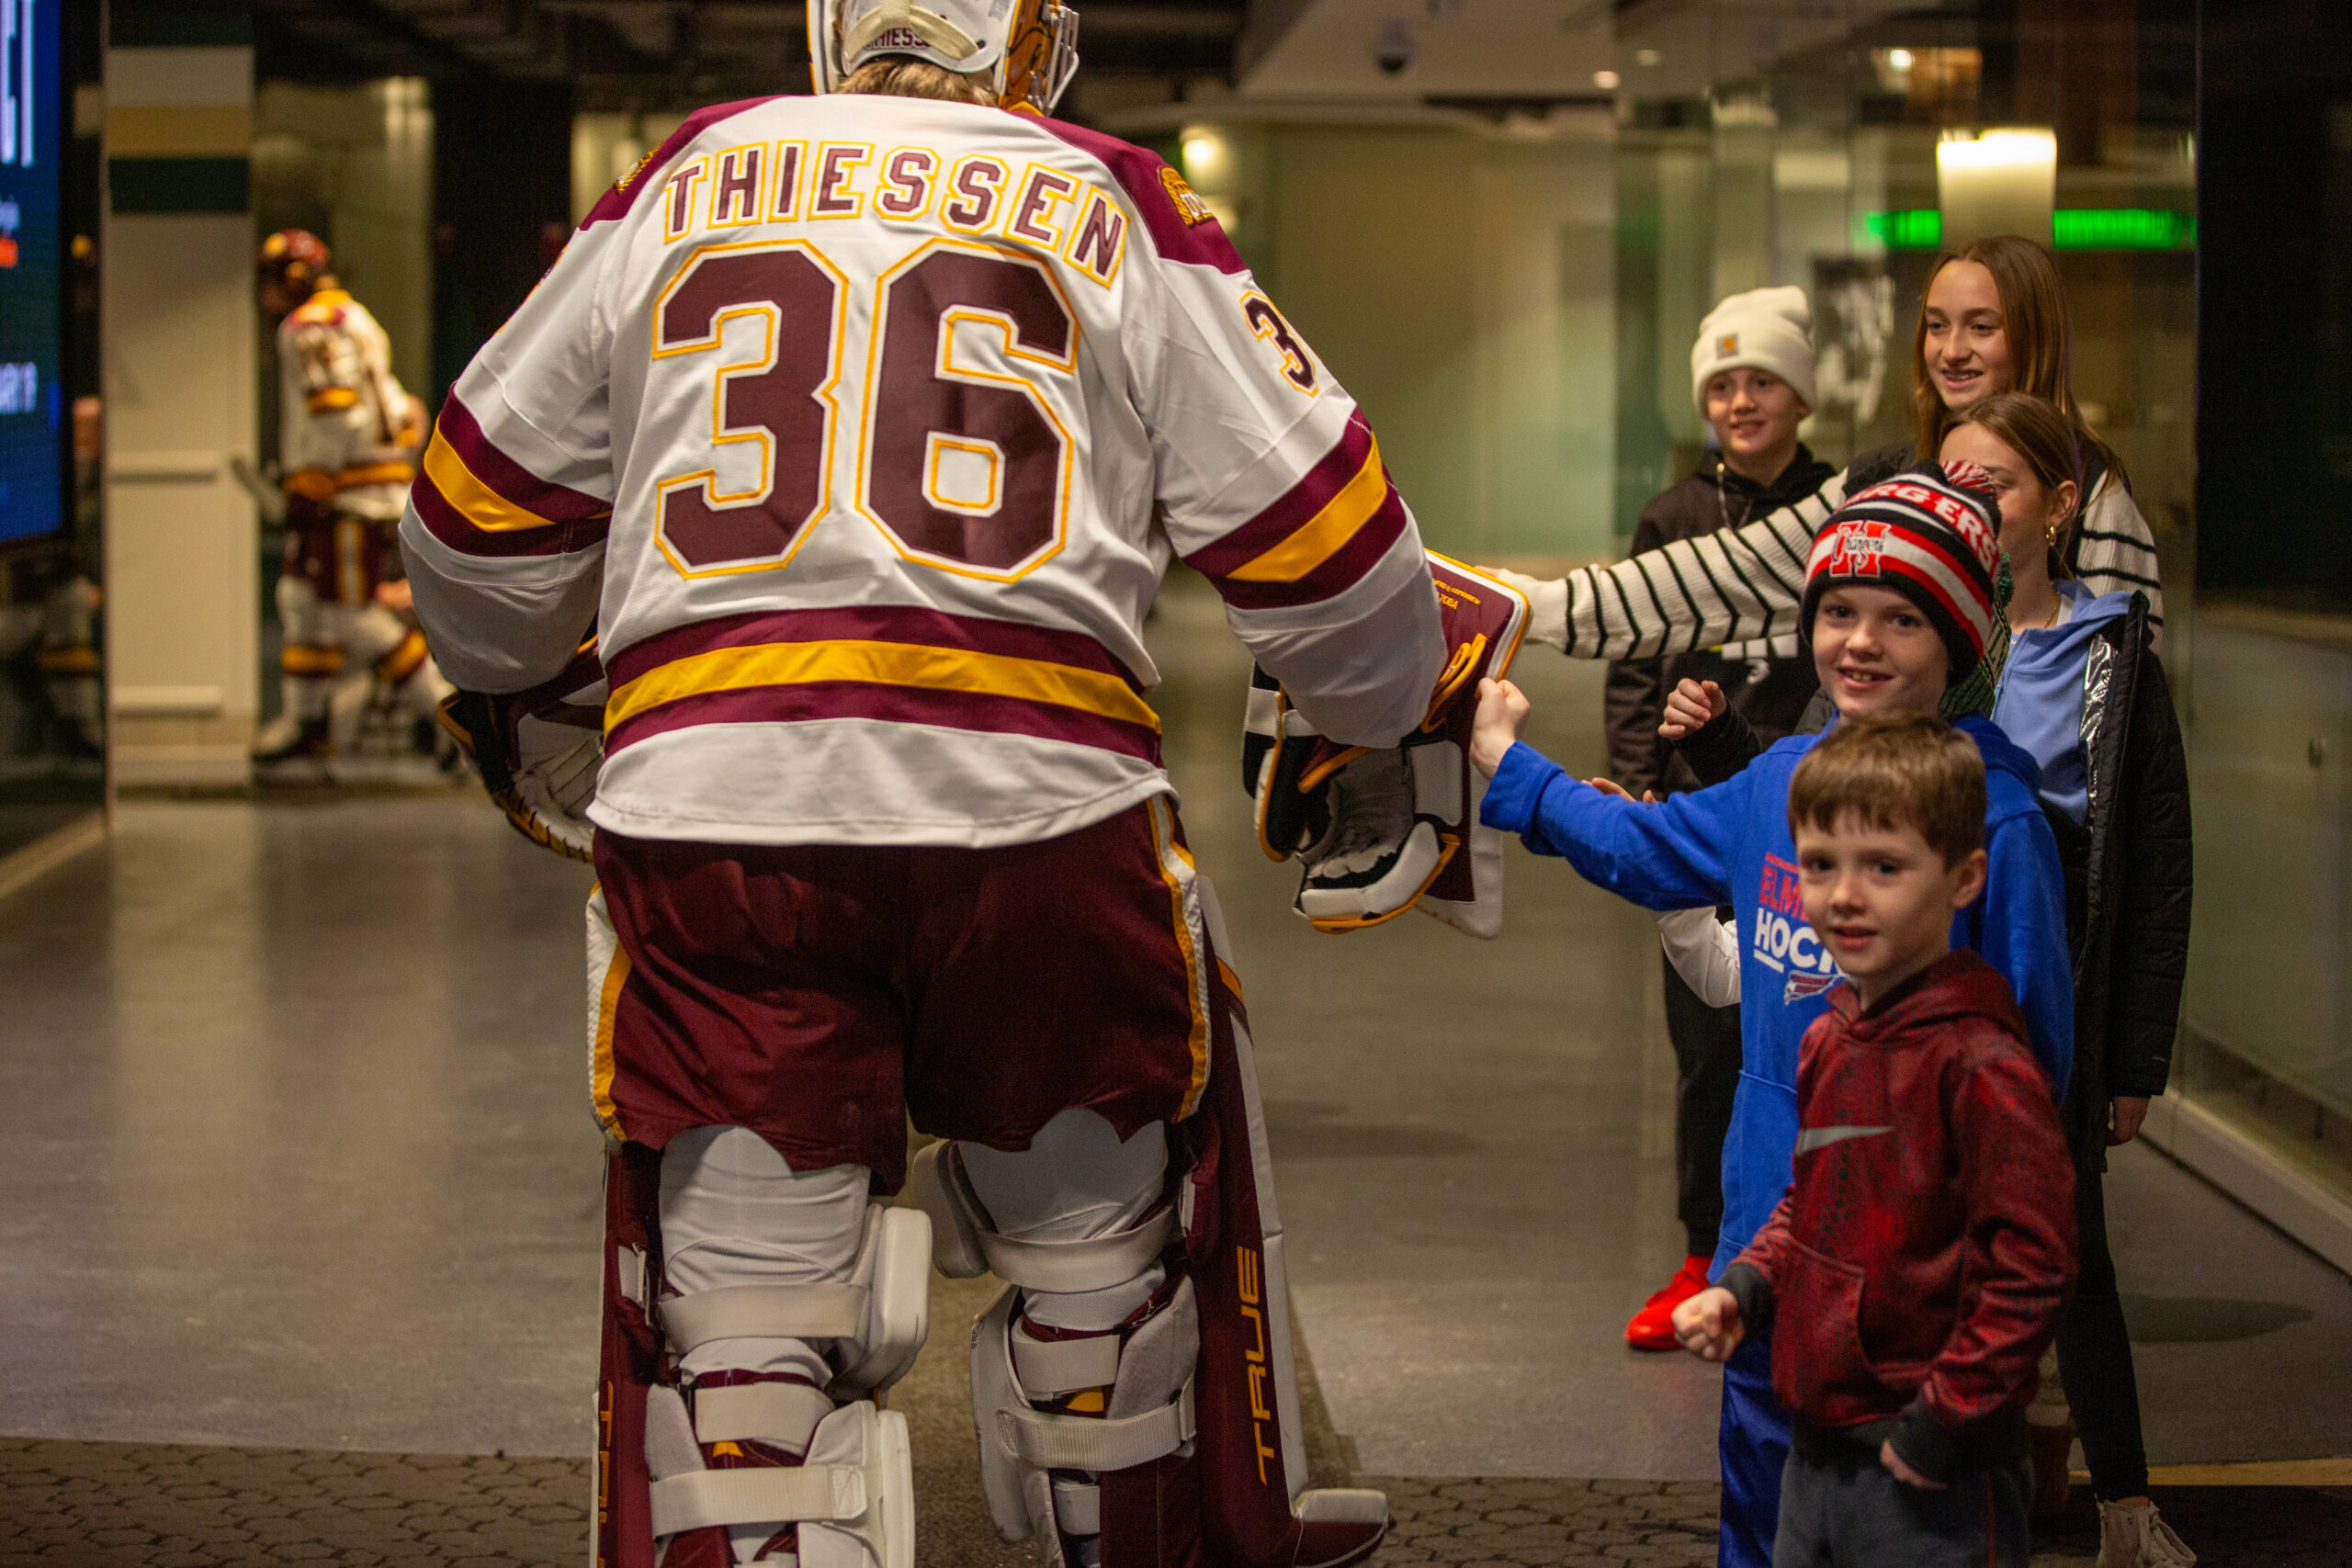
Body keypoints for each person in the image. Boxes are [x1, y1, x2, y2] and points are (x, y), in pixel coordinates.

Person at [403, 4, 1445, 1564]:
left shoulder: (677, 177)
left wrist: (559, 681)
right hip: (1041, 802)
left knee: (741, 1327)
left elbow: (469, 542)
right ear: (1029, 43)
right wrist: (1365, 708)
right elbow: (1345, 570)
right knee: (1103, 1292)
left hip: (715, 807)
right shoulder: (1116, 197)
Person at [1465, 462, 2073, 1568]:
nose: (1859, 641)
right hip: (1771, 1253)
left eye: (1901, 617)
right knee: (1763, 1517)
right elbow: (1643, 848)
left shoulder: (2000, 818)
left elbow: (2034, 1090)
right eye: (1838, 611)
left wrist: (1980, 1360)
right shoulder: (1781, 778)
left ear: (1958, 639)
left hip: (1916, 1316)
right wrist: (1515, 769)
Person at [1669, 713, 2076, 1568]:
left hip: (1935, 1469)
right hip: (1819, 1444)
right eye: (1820, 866)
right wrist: (1745, 1289)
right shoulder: (1833, 1038)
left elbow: (2034, 1265)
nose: (1844, 895)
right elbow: (1815, 1204)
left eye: (1884, 868)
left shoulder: (1983, 1066)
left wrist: (1945, 1421)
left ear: (1966, 879)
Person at [1941, 395, 2197, 1568]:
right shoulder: (1927, 642)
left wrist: (2134, 1060)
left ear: (2056, 506)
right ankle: (1948, 1495)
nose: (1967, 506)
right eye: (1950, 481)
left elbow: (2154, 874)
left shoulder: (2117, 654)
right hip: (1939, 990)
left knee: (2072, 1251)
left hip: (2056, 1002)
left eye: (1991, 485)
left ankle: (2125, 1510)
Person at [1490, 234, 2165, 672]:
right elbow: (1733, 570)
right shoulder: (1892, 476)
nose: (1951, 350)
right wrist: (1539, 606)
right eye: (1936, 326)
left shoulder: (2095, 492)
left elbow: (2130, 719)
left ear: (2035, 337)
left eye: (1981, 327)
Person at [1610, 287, 1834, 1350]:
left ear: (1800, 394)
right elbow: (1632, 668)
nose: (1741, 402)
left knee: (1812, 1041)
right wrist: (1637, 792)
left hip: (1815, 819)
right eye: (1723, 385)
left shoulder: (1838, 509)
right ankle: (1706, 1252)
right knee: (1707, 1052)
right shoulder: (1671, 517)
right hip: (1701, 818)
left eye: (1762, 381)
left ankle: (1821, 1243)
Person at [251, 228, 448, 767]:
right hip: (362, 486)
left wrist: (315, 476)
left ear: (293, 277)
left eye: (269, 279)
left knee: (348, 617)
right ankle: (306, 723)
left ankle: (451, 720)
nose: (264, 292)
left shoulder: (309, 326)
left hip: (347, 494)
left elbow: (338, 409)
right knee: (298, 597)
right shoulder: (356, 316)